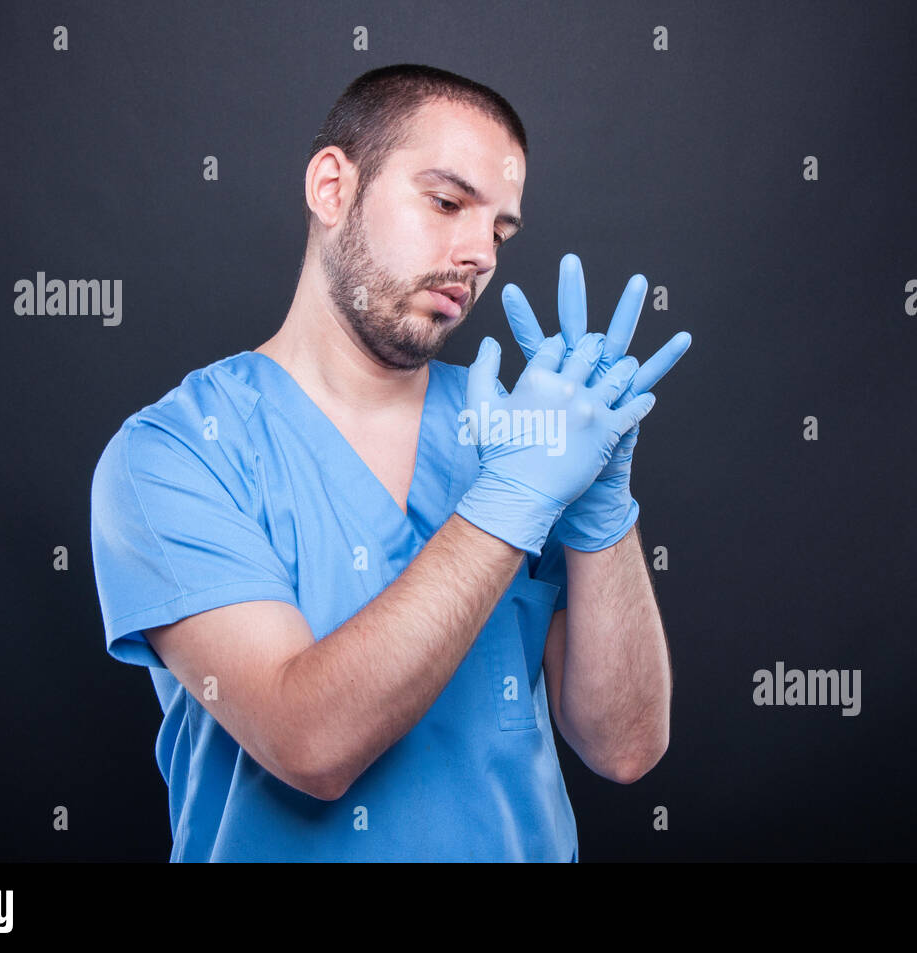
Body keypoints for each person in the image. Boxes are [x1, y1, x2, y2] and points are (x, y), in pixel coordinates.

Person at [89, 63, 690, 861]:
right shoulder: (172, 454)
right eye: (447, 203)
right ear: (333, 187)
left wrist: (601, 510)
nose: (478, 253)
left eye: (501, 233)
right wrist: (513, 498)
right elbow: (309, 743)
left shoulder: (513, 430)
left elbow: (625, 747)